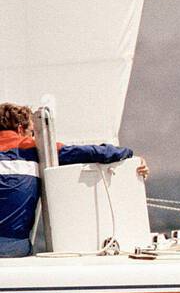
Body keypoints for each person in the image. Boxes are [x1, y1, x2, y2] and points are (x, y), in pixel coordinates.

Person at [0, 102, 149, 258]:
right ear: (20, 130)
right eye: (31, 132)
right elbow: (94, 152)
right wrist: (129, 155)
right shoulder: (30, 147)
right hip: (11, 246)